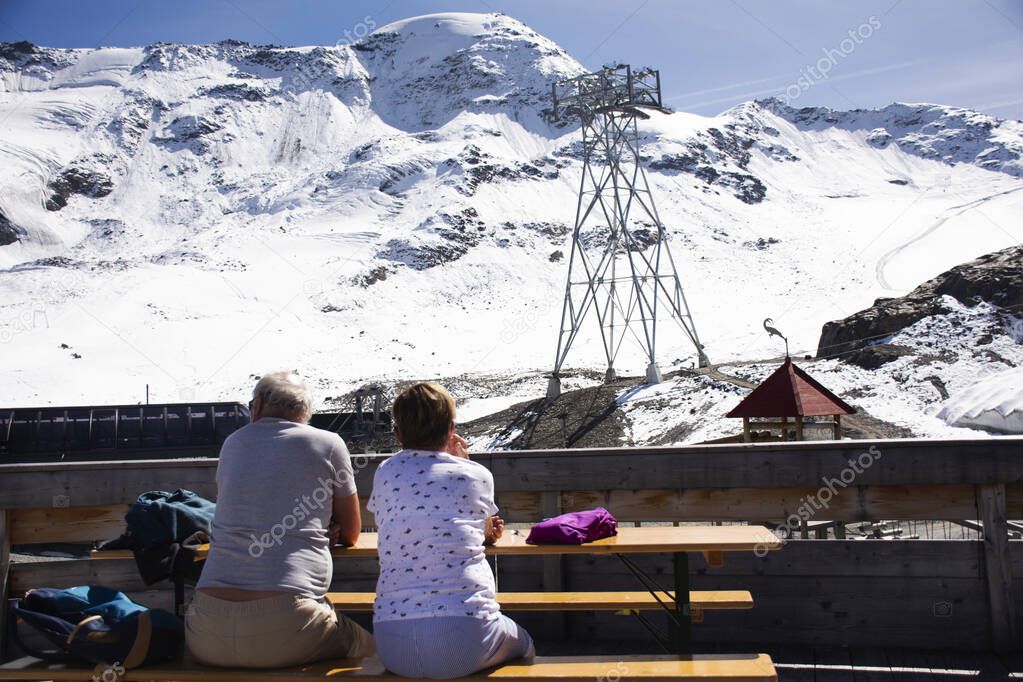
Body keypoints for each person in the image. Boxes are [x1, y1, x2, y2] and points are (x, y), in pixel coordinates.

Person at [185, 371, 374, 668]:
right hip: (287, 626)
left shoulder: (233, 443)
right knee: (376, 651)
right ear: (304, 412)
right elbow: (351, 532)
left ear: (258, 404)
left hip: (205, 629)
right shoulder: (328, 443)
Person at [368, 382, 534, 679]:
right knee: (526, 645)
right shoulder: (476, 475)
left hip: (392, 643)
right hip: (466, 633)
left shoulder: (385, 473)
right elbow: (479, 525)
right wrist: (464, 462)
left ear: (398, 433)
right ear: (451, 429)